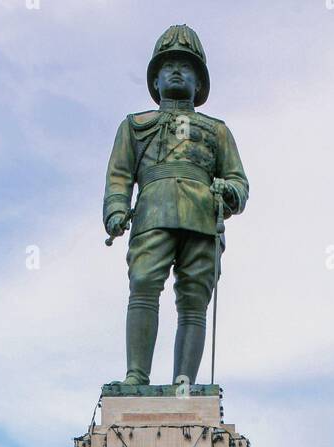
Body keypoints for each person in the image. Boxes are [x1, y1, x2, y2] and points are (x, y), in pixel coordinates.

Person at [103, 23, 249, 388]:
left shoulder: (218, 131)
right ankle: (137, 375)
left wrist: (228, 190)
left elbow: (238, 180)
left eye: (186, 66)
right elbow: (119, 175)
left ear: (200, 83)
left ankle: (184, 382)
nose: (177, 71)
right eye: (168, 66)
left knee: (193, 300)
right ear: (155, 81)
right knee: (143, 284)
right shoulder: (134, 126)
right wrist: (116, 209)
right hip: (153, 214)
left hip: (202, 218)